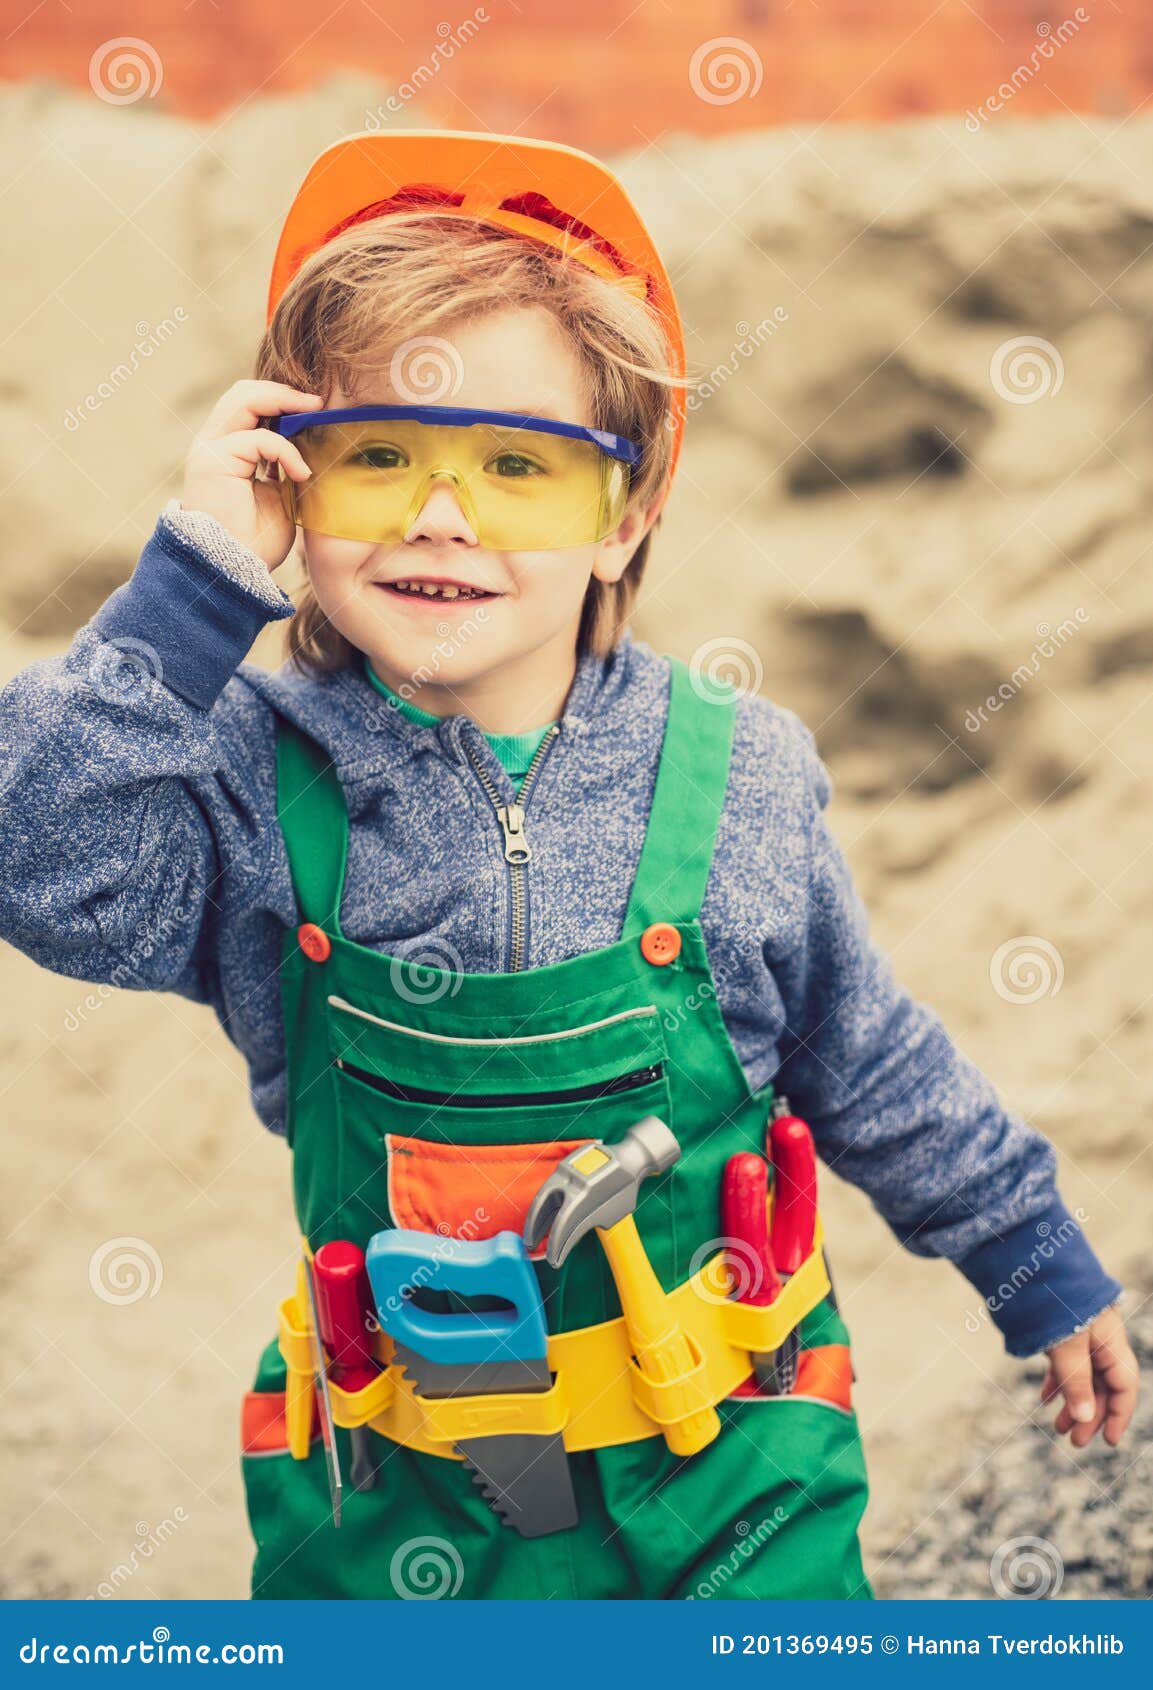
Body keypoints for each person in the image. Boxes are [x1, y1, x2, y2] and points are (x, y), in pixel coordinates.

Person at [0, 132, 1136, 1602]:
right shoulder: (247, 777)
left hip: (732, 1473)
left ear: (626, 516)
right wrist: (192, 583)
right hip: (399, 1489)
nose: (440, 516)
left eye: (518, 470)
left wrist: (1026, 1252)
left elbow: (864, 1056)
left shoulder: (739, 773)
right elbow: (39, 850)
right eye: (376, 457)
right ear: (288, 473)